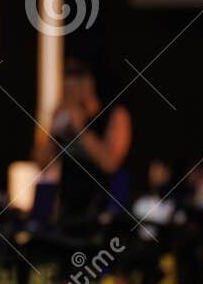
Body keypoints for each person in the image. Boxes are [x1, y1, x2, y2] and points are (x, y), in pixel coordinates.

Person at [32, 58, 133, 226]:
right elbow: (42, 164)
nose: (69, 86)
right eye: (66, 78)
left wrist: (81, 129)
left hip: (104, 213)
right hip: (69, 212)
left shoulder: (114, 114)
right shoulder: (63, 118)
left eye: (76, 77)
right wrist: (53, 131)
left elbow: (110, 164)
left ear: (90, 82)